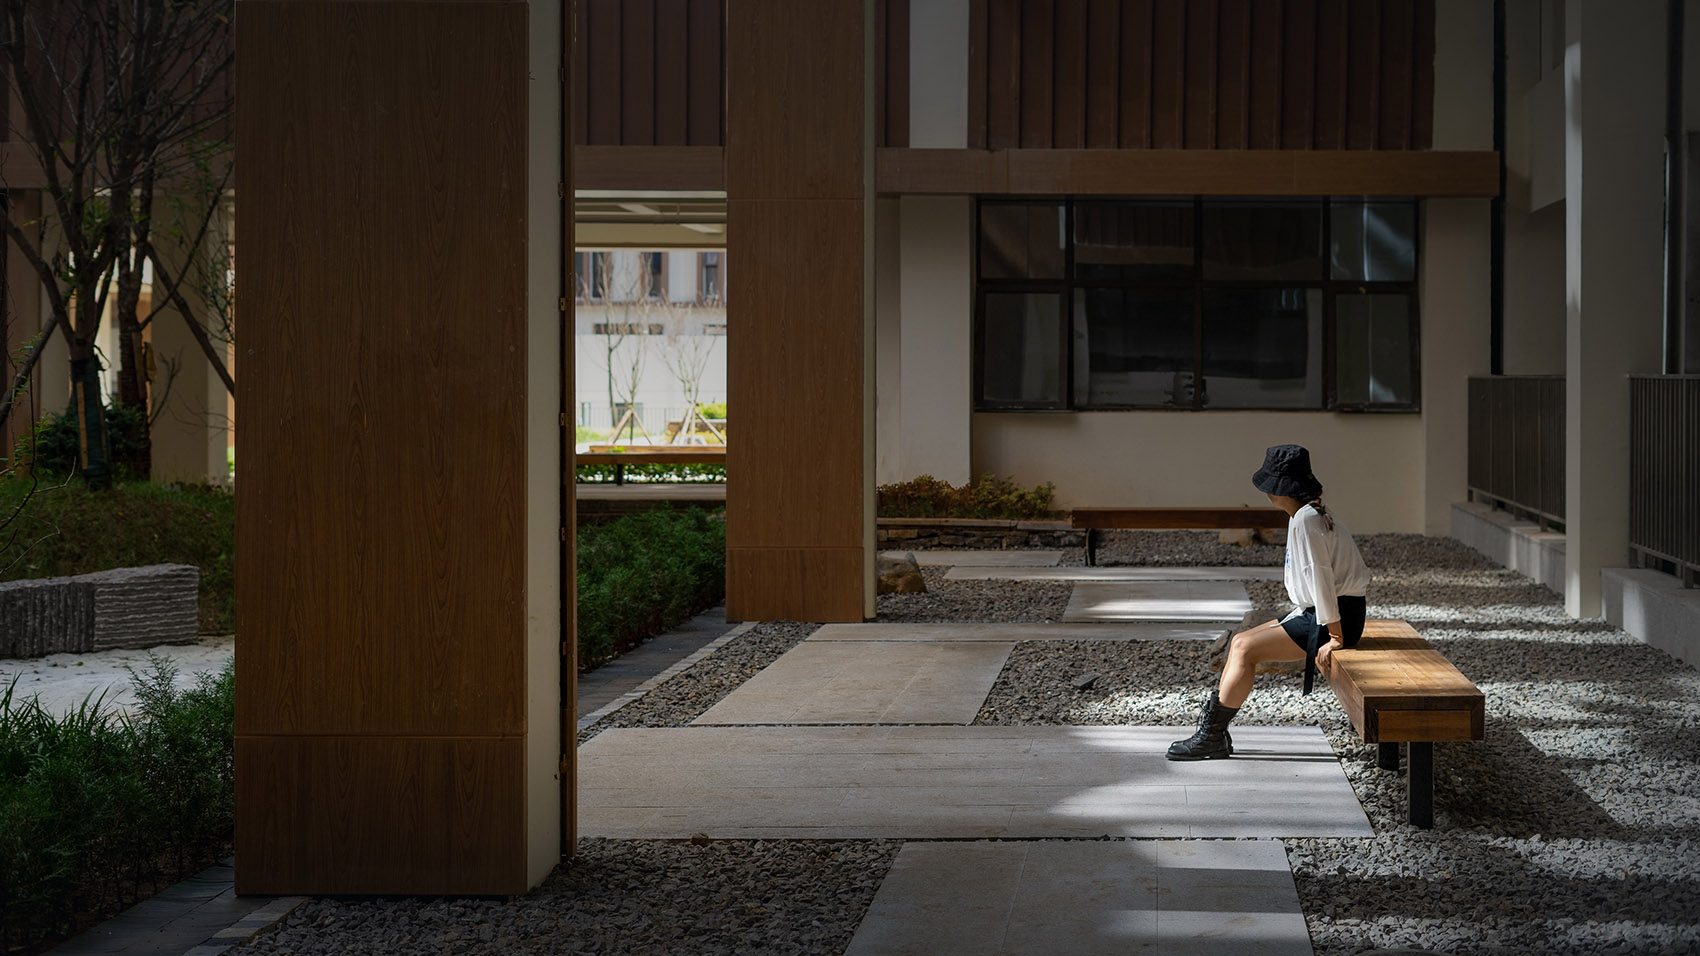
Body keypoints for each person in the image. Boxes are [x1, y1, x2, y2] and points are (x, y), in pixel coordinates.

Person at [1167, 444, 1371, 761]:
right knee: (1239, 642)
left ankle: (1212, 737)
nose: (1266, 493)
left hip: (1335, 618)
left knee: (1245, 649)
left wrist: (1336, 637)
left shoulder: (1307, 520)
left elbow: (1321, 580)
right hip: (1325, 612)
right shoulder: (1310, 512)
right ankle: (1212, 733)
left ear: (1282, 489)